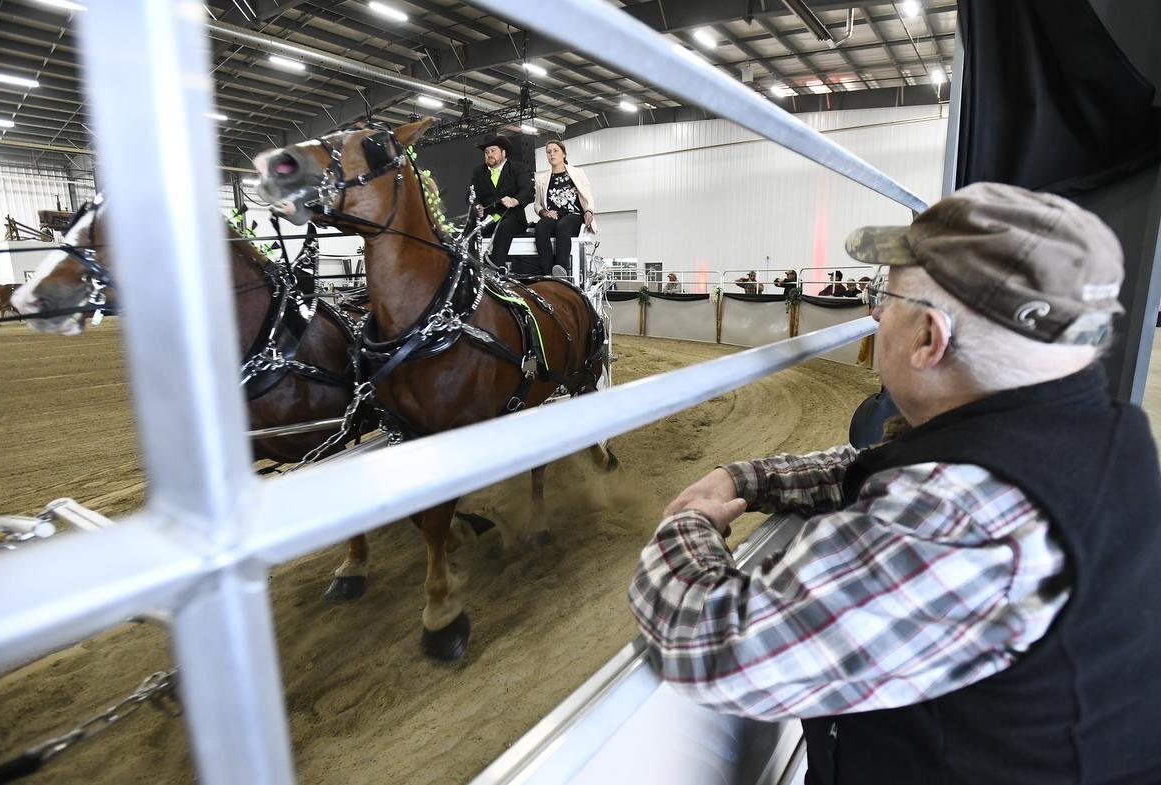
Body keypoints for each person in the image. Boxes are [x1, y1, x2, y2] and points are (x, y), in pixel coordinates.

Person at [628, 182, 1161, 785]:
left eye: (886, 295)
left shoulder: (965, 516)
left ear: (931, 338)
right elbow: (886, 461)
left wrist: (689, 521)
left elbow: (712, 646)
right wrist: (748, 478)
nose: (875, 313)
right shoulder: (1100, 432)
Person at [469, 133, 535, 275]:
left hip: (513, 219)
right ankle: (470, 271)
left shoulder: (518, 168)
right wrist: (477, 206)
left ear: (503, 153)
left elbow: (528, 191)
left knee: (504, 227)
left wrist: (514, 200)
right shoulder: (478, 172)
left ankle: (493, 270)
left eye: (493, 151)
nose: (489, 154)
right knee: (470, 230)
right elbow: (471, 195)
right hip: (489, 218)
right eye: (486, 152)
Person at [534, 139, 597, 277]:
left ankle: (561, 270)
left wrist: (589, 210)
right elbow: (537, 204)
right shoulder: (542, 178)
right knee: (541, 227)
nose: (552, 154)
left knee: (563, 226)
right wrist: (544, 212)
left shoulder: (577, 173)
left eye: (555, 150)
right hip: (554, 214)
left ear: (564, 154)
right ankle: (547, 271)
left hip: (574, 214)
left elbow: (588, 196)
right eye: (549, 152)